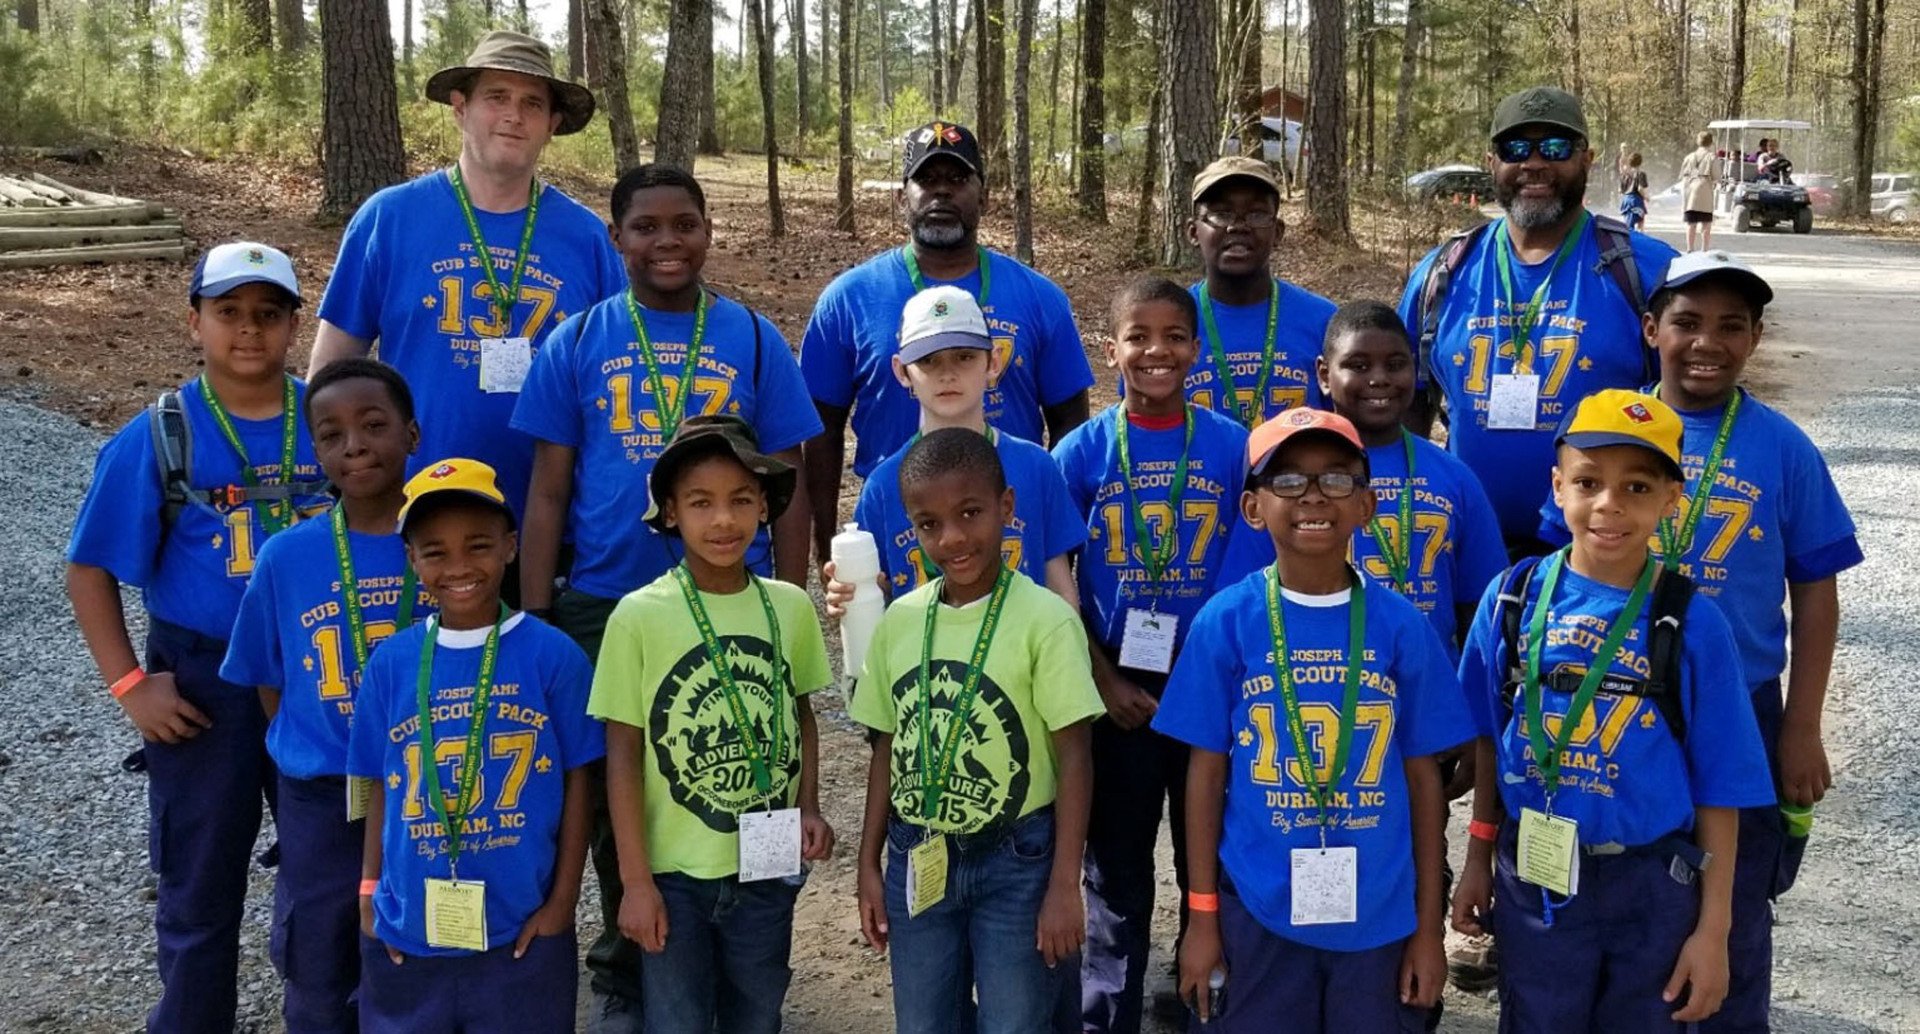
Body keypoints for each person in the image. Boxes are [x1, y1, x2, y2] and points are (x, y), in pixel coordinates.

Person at [508, 163, 823, 1026]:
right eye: (645, 227)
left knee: (723, 773)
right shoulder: (578, 339)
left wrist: (781, 593)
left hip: (730, 599)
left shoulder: (752, 338)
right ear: (617, 240)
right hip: (609, 601)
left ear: (708, 231)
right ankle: (631, 969)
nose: (667, 241)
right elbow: (548, 490)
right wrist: (537, 617)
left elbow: (791, 480)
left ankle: (732, 960)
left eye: (684, 223)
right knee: (619, 795)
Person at [1536, 252, 1862, 1033]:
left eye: (1731, 326)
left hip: (1741, 706)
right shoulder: (1604, 434)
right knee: (1627, 890)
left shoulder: (1782, 449)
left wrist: (1802, 725)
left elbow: (1816, 590)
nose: (1706, 343)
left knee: (1734, 898)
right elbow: (1555, 565)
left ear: (1755, 339)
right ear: (1652, 330)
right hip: (1610, 705)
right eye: (1686, 323)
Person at [66, 242, 331, 1033]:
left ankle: (325, 1014)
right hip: (204, 683)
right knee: (200, 873)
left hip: (317, 674)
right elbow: (88, 568)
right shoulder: (161, 433)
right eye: (228, 312)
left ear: (294, 325)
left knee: (324, 866)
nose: (249, 330)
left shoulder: (328, 419)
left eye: (268, 314)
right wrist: (129, 685)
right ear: (194, 322)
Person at [1452, 390, 1775, 1032]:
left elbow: (1721, 788)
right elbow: (1491, 739)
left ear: (1671, 499)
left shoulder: (1693, 623)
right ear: (1557, 486)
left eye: (1636, 487)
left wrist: (1714, 930)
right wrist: (1477, 861)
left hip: (1652, 884)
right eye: (1588, 482)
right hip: (1536, 877)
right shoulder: (1512, 600)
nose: (1609, 504)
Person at [1153, 408, 1473, 1032]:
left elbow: (1424, 780)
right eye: (1288, 480)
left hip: (1379, 913)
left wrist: (1428, 930)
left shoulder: (1402, 626)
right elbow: (1204, 777)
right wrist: (1202, 917)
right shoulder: (1226, 621)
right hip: (1258, 907)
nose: (1313, 495)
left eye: (1336, 478)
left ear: (1367, 504)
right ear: (1253, 508)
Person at [311, 30, 626, 524]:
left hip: (549, 518)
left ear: (552, 124)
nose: (513, 115)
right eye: (496, 97)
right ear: (460, 108)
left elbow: (615, 376)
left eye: (532, 103)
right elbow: (331, 366)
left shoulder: (587, 237)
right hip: (414, 513)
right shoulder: (389, 219)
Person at [849, 428, 1103, 1034]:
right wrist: (868, 862)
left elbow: (1075, 757)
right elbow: (887, 747)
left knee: (1014, 1022)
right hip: (917, 851)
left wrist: (1064, 885)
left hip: (1018, 862)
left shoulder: (1046, 621)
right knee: (923, 1022)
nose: (953, 538)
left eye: (970, 513)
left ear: (1006, 507)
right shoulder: (900, 622)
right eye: (929, 524)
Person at [588, 416, 834, 1034]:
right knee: (679, 1019)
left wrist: (808, 806)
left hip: (766, 864)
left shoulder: (790, 607)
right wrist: (635, 882)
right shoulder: (637, 617)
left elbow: (801, 714)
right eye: (701, 502)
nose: (724, 520)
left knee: (758, 1010)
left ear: (764, 506)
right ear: (670, 512)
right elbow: (622, 754)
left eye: (741, 500)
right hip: (674, 876)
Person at [1049, 276, 1249, 1033]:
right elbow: (1056, 581)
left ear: (1196, 350)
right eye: (1138, 336)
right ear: (1112, 350)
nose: (1155, 351)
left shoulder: (1233, 448)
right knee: (1117, 872)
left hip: (1211, 685)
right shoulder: (1080, 452)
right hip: (1119, 689)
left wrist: (1212, 682)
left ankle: (1211, 1010)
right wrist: (1102, 678)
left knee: (1212, 865)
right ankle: (1110, 1018)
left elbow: (1249, 576)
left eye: (1173, 337)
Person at [349, 458, 603, 1032]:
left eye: (479, 546)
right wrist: (368, 891)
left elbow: (579, 782)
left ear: (511, 546)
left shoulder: (553, 656)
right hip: (408, 935)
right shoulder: (391, 663)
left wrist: (563, 902)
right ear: (412, 560)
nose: (459, 566)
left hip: (521, 933)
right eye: (435, 552)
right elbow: (380, 783)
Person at [220, 358, 430, 1034]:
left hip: (426, 786)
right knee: (319, 953)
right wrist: (313, 747)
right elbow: (269, 678)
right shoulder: (286, 557)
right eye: (332, 435)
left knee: (415, 953)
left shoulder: (446, 546)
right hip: (323, 793)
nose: (355, 446)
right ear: (315, 450)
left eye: (374, 426)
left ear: (412, 433)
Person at [800, 120, 1095, 571]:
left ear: (985, 196)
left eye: (958, 179)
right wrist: (827, 545)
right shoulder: (848, 299)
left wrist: (1056, 535)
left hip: (1010, 524)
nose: (941, 192)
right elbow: (821, 430)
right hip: (899, 526)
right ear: (902, 198)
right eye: (926, 180)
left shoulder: (1040, 299)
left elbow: (1069, 423)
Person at [1398, 85, 1679, 558]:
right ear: (1491, 162)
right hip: (1466, 546)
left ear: (1587, 159)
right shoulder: (1444, 270)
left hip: (1601, 552)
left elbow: (1690, 406)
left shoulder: (1642, 268)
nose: (1533, 163)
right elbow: (1409, 398)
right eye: (1515, 148)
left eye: (1554, 147)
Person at [1218, 301, 1508, 658]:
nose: (1379, 378)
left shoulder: (1455, 477)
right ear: (1324, 375)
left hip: (1425, 677)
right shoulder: (1287, 479)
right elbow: (1243, 594)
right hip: (1310, 674)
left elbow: (1479, 606)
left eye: (1395, 365)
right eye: (1358, 365)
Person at [847, 285, 1085, 601]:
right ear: (902, 371)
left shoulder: (1036, 466)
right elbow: (874, 593)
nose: (947, 374)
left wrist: (1069, 632)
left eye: (964, 357)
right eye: (928, 360)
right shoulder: (883, 484)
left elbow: (1060, 585)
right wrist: (848, 596)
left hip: (1023, 634)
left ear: (993, 362)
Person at [1184, 157, 1336, 428]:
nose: (1238, 226)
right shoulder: (1170, 320)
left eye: (1257, 214)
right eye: (1221, 213)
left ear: (1278, 232)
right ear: (1194, 232)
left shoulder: (1324, 321)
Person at [1681, 131, 1718, 252]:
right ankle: (1704, 249)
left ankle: (1690, 248)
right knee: (1706, 222)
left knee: (1691, 222)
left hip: (1690, 188)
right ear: (1711, 142)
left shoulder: (1689, 157)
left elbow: (1683, 174)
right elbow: (1717, 176)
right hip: (1705, 189)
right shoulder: (1712, 157)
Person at [1619, 153, 1650, 232]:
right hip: (1636, 201)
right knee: (1640, 223)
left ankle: (1627, 238)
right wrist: (1646, 197)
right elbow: (1640, 188)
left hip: (1626, 201)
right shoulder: (1641, 174)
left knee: (1628, 225)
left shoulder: (1625, 175)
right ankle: (1640, 238)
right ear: (1640, 162)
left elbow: (1620, 190)